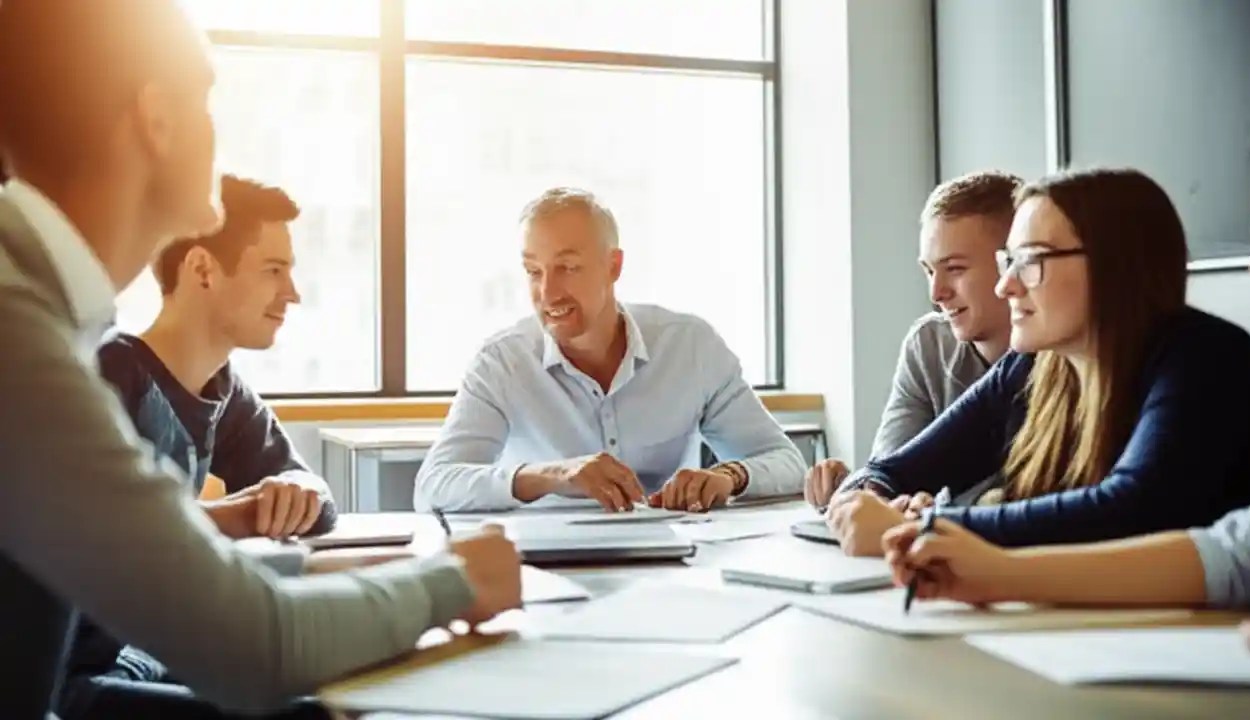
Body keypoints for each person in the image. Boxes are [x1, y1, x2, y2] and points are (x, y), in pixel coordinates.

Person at [0, 2, 520, 718]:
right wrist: (452, 581)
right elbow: (255, 643)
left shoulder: (42, 318)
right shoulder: (20, 341)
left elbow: (166, 572)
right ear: (157, 120)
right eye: (209, 96)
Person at [880, 121, 1250, 612]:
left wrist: (931, 527)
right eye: (1009, 260)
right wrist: (872, 497)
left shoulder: (1206, 359)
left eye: (1029, 260)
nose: (1007, 285)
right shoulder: (1031, 368)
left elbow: (1131, 510)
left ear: (1113, 266)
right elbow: (894, 471)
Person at [59, 175, 343, 719]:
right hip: (76, 676)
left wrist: (301, 488)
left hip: (153, 651)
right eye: (273, 270)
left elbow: (316, 502)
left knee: (348, 683)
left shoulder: (225, 391)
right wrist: (229, 518)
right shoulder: (107, 373)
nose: (293, 293)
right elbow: (94, 530)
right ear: (203, 269)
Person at [415, 187, 806, 513]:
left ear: (613, 266)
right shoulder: (501, 363)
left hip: (671, 567)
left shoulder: (691, 347)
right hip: (544, 569)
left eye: (568, 267)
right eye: (534, 271)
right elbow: (433, 485)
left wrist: (728, 476)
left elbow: (787, 463)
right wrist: (549, 476)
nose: (548, 293)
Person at [805, 170, 1019, 509]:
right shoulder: (929, 346)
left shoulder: (1064, 356)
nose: (937, 293)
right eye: (929, 271)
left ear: (1013, 263)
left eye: (956, 268)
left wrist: (933, 510)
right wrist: (864, 490)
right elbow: (890, 469)